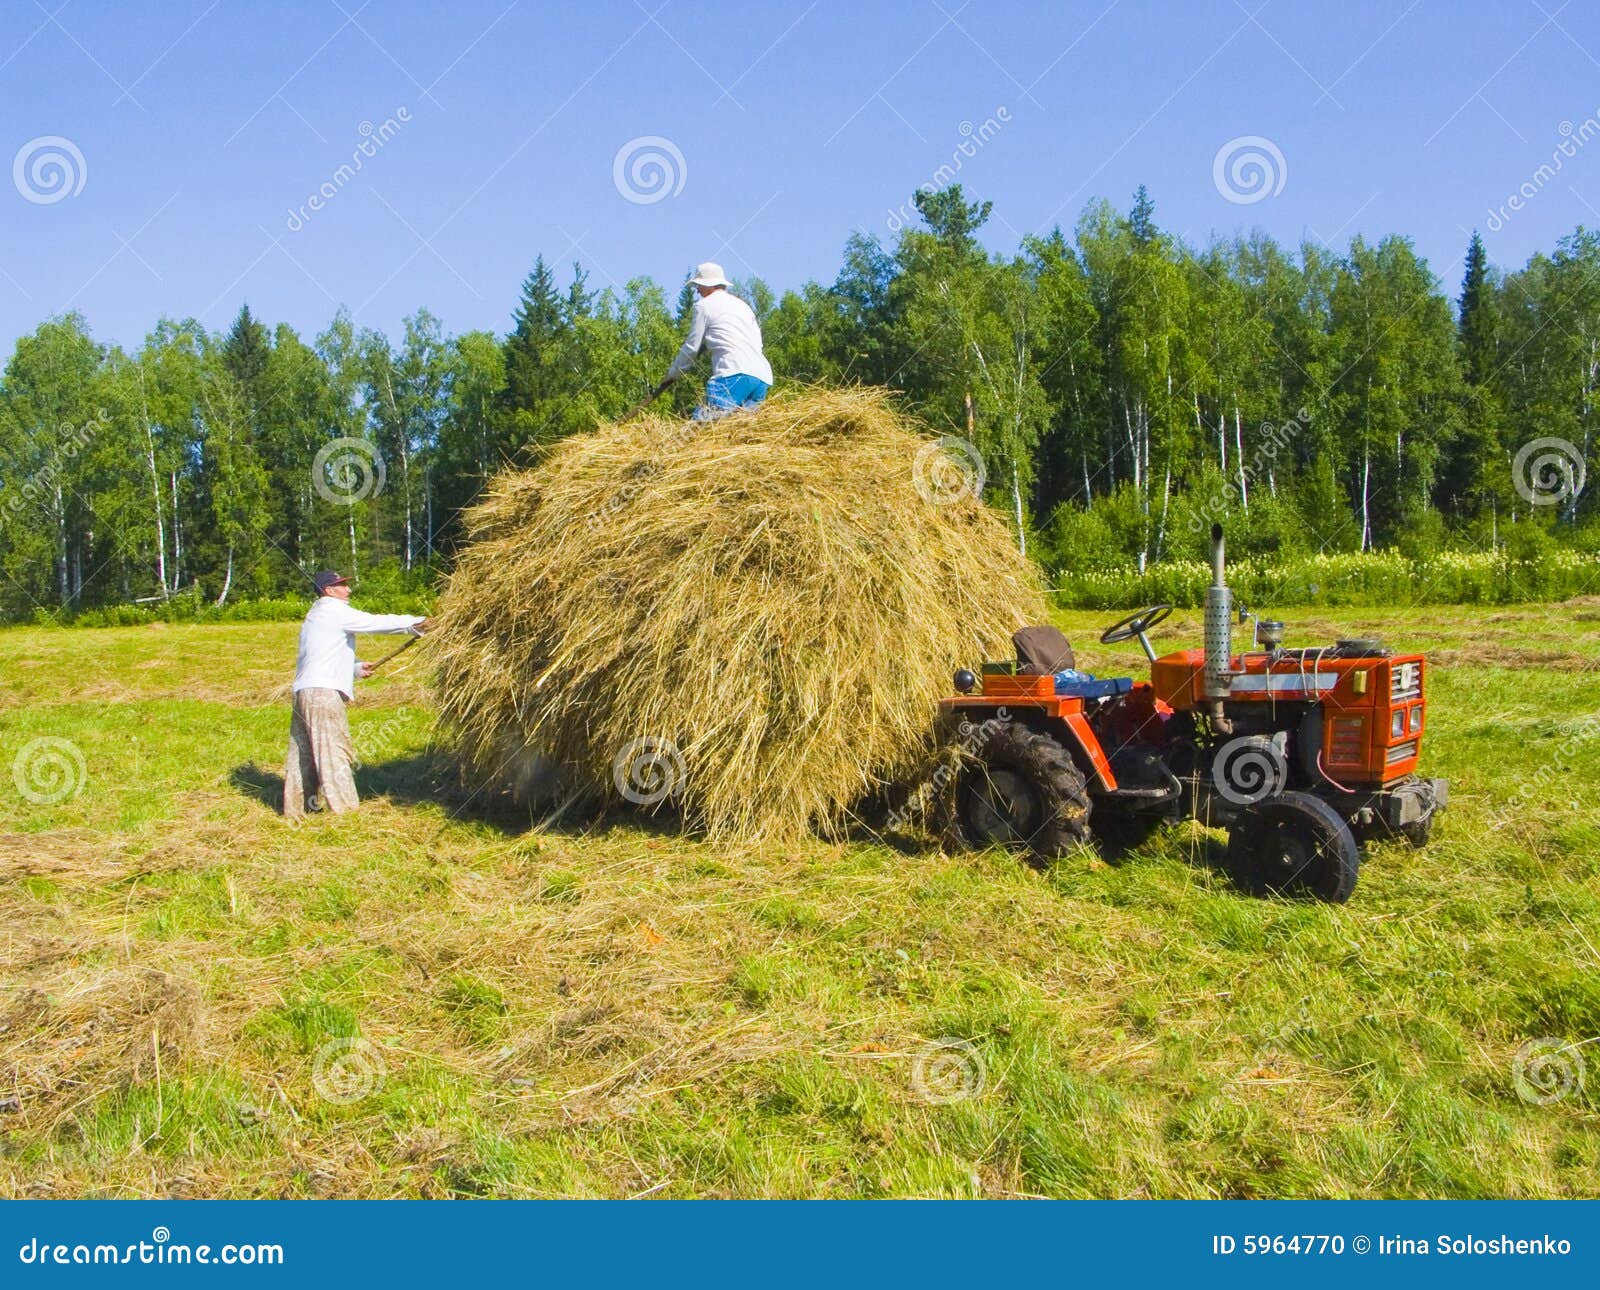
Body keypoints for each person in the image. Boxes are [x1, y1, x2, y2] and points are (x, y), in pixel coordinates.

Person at [282, 570, 429, 820]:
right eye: (342, 585)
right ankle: (346, 813)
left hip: (304, 691)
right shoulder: (333, 610)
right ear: (328, 590)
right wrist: (416, 623)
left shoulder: (315, 616)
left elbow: (321, 654)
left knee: (302, 755)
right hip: (322, 695)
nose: (348, 590)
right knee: (333, 750)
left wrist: (356, 668)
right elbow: (375, 623)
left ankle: (296, 811)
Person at [656, 262, 773, 417]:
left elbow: (691, 348)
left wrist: (673, 373)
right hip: (761, 377)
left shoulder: (703, 306)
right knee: (737, 431)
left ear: (709, 285)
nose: (697, 290)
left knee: (703, 427)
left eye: (699, 285)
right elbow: (759, 343)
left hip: (733, 373)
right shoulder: (743, 306)